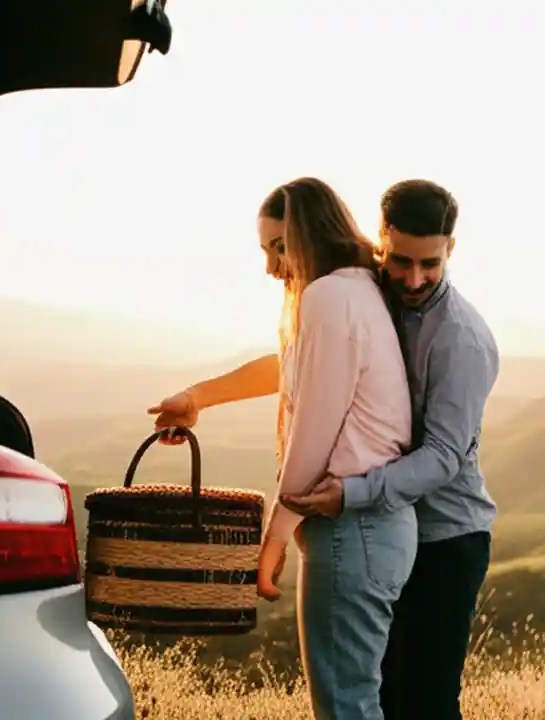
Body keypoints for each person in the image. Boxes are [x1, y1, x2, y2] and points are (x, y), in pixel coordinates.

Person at [148, 177, 415, 720]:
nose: (271, 268)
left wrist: (275, 534)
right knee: (354, 700)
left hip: (349, 530)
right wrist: (198, 396)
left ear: (310, 235)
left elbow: (316, 427)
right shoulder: (351, 288)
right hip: (368, 528)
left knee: (344, 706)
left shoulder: (329, 295)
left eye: (279, 248)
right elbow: (290, 366)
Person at [280, 179, 499, 720]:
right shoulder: (371, 292)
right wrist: (201, 396)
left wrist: (351, 494)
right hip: (387, 531)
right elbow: (321, 365)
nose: (414, 278)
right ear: (381, 239)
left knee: (424, 706)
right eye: (400, 260)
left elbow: (444, 457)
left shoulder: (461, 338)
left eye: (430, 264)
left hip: (446, 540)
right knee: (381, 699)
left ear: (451, 249)